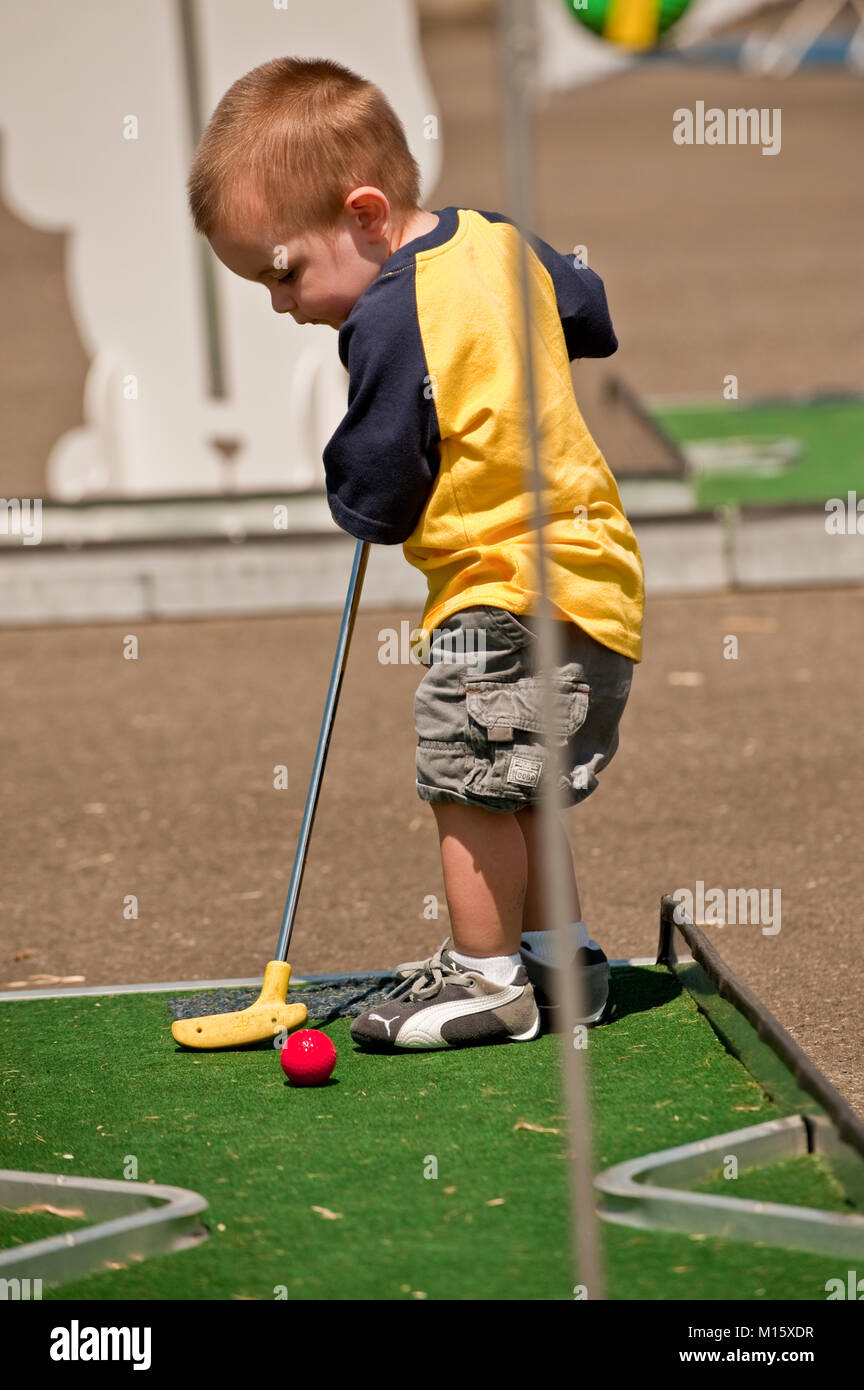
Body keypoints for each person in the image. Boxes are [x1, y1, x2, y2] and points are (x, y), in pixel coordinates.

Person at [189, 56, 644, 1051]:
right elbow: (586, 309)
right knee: (513, 777)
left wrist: (356, 491)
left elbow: (383, 474)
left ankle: (487, 980)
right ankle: (563, 964)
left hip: (503, 591)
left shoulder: (393, 312)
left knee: (462, 769)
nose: (282, 304)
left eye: (284, 273)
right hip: (594, 580)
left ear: (364, 215)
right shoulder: (492, 239)